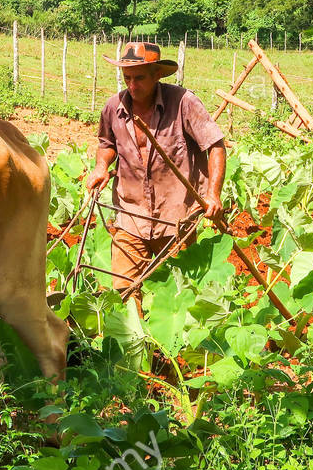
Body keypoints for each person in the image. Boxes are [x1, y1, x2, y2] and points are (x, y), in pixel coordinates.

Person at [85, 41, 227, 297]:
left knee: (176, 296)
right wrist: (100, 167)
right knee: (123, 292)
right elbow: (106, 144)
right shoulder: (112, 108)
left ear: (157, 74)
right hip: (131, 215)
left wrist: (213, 194)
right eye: (127, 78)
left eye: (139, 78)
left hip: (176, 220)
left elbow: (215, 145)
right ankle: (135, 336)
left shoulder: (183, 102)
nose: (131, 85)